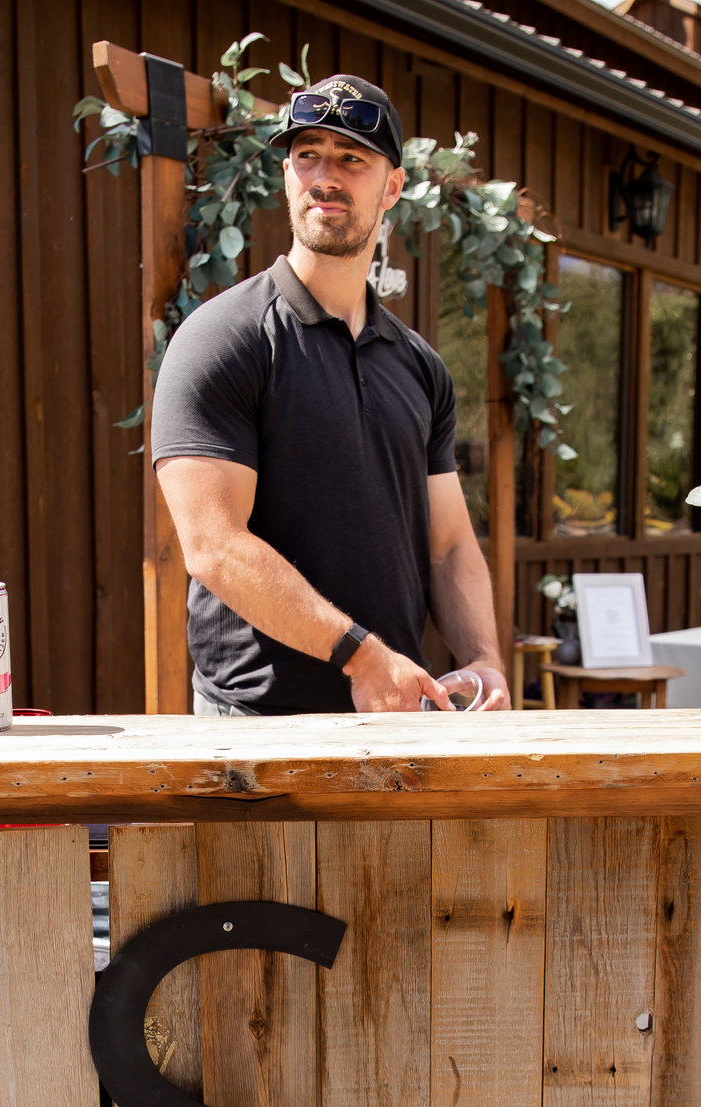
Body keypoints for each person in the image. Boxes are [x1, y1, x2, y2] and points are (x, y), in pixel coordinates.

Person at [151, 74, 509, 715]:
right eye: (307, 154)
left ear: (393, 186)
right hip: (257, 733)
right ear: (287, 175)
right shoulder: (223, 339)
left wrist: (484, 657)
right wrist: (363, 656)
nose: (326, 176)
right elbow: (213, 546)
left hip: (397, 722)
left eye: (352, 159)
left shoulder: (420, 366)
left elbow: (449, 542)